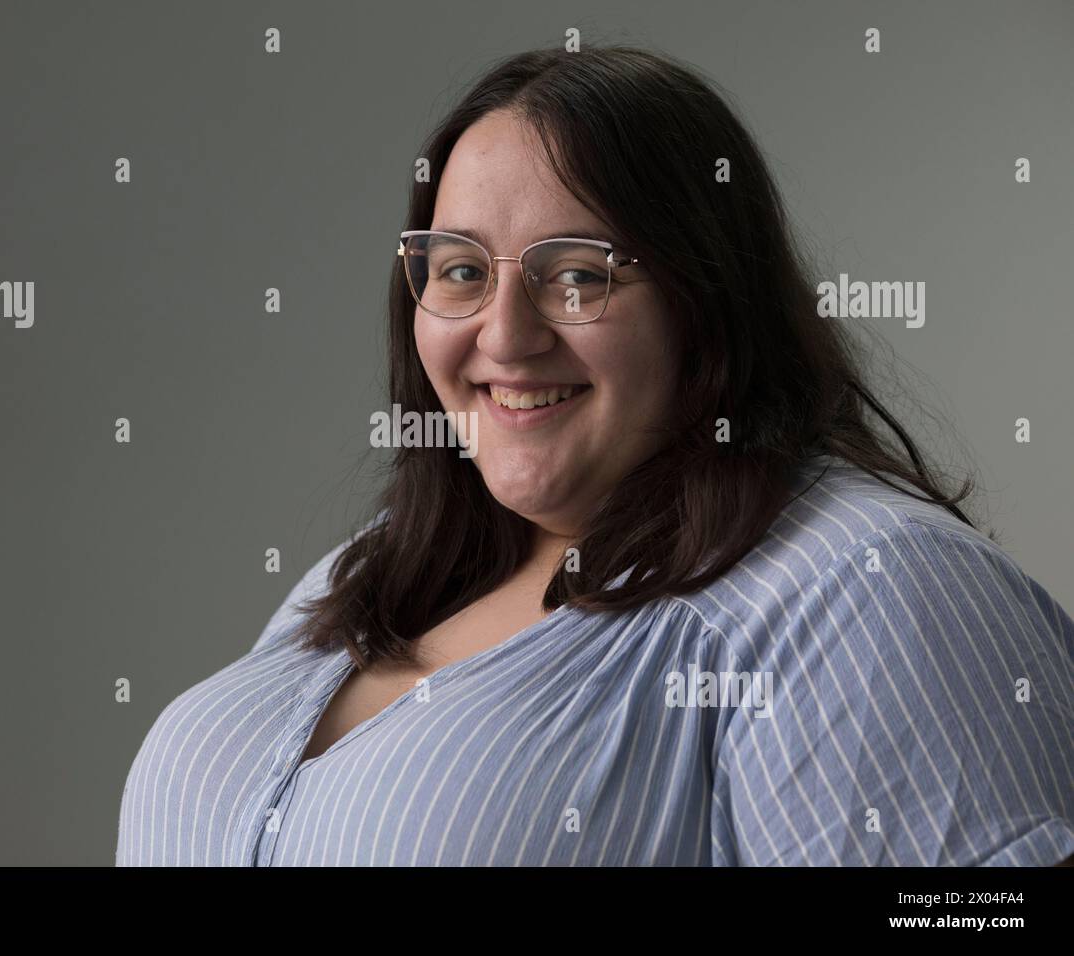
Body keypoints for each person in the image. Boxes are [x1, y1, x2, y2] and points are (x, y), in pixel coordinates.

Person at [116, 45, 1074, 866]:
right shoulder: (369, 573)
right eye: (459, 271)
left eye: (576, 275)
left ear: (705, 304)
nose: (506, 334)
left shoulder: (865, 586)